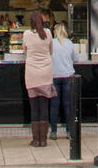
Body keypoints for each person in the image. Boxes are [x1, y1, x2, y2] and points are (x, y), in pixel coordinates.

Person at [22, 11, 55, 146]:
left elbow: (25, 51)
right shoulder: (48, 33)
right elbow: (51, 51)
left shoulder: (26, 34)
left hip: (31, 74)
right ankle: (44, 139)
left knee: (34, 107)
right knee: (44, 107)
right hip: (46, 73)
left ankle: (36, 139)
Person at [49, 22, 77, 139]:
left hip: (54, 76)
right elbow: (76, 58)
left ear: (54, 32)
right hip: (67, 76)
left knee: (54, 105)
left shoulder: (51, 44)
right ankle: (69, 131)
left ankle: (54, 132)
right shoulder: (69, 43)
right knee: (68, 105)